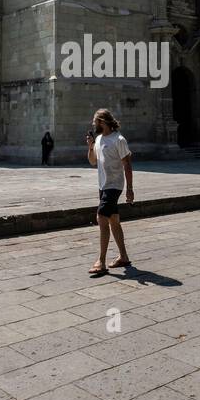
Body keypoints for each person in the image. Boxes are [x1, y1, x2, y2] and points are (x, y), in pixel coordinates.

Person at [85, 109, 134, 278]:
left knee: (101, 217)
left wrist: (129, 189)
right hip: (103, 186)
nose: (93, 124)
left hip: (114, 185)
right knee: (113, 219)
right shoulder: (99, 139)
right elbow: (92, 162)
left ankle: (101, 261)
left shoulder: (118, 139)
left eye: (95, 121)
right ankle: (124, 257)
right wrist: (90, 146)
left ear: (102, 121)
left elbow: (127, 164)